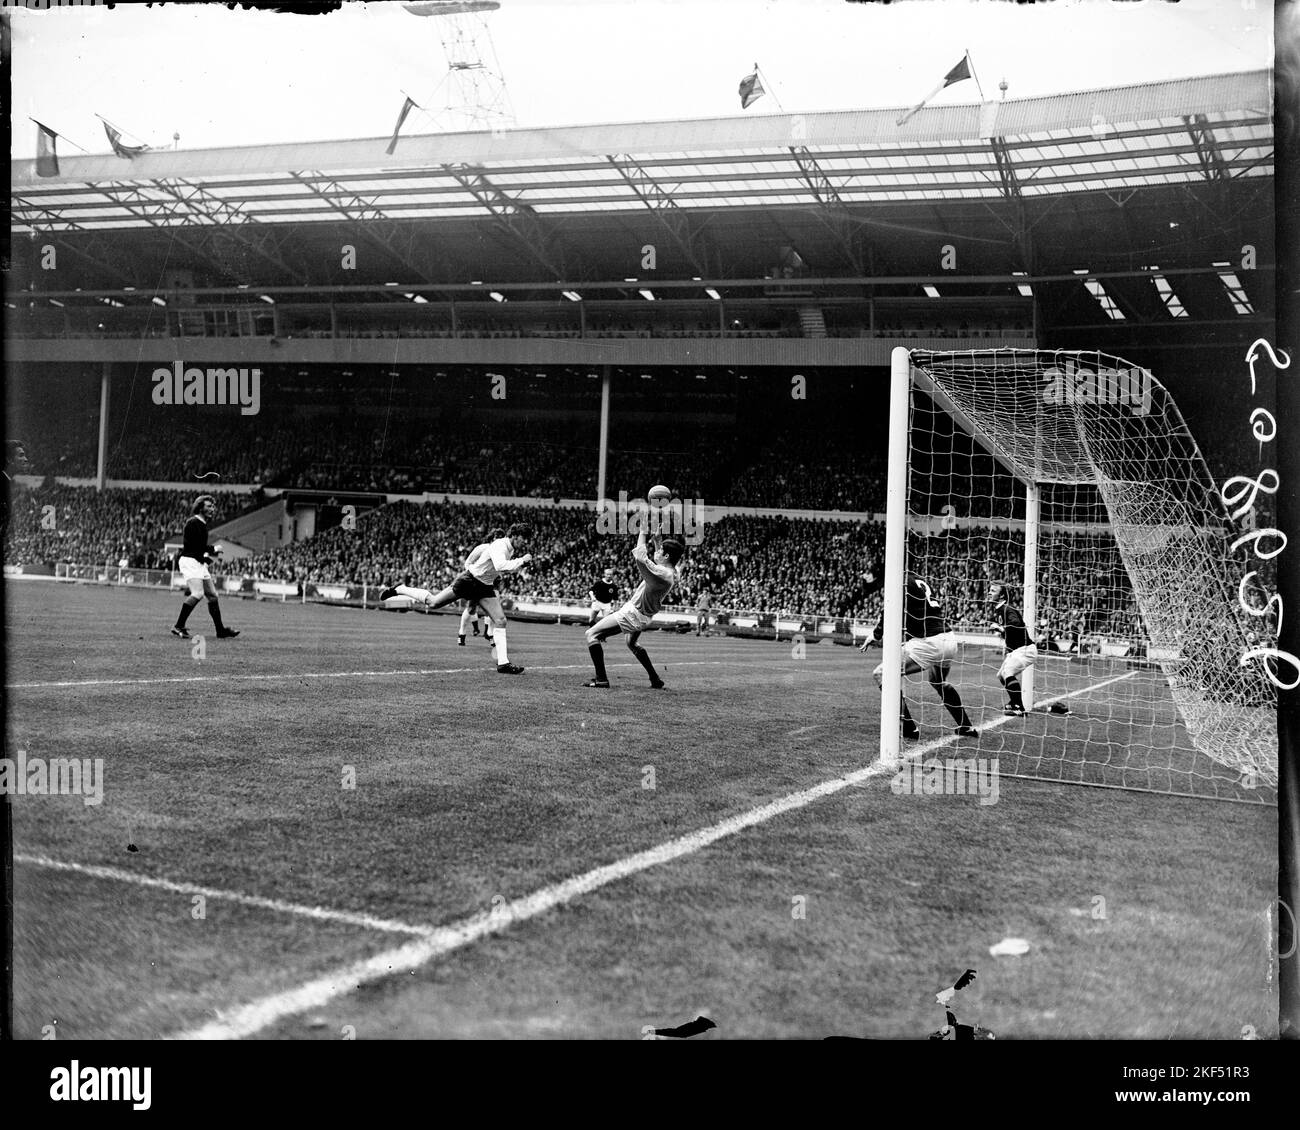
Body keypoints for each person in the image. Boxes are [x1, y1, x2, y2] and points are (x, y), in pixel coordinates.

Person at [381, 523, 531, 675]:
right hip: (470, 580)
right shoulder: (500, 545)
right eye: (524, 538)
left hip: (484, 586)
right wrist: (522, 561)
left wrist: (514, 566)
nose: (525, 542)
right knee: (434, 603)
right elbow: (500, 565)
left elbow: (499, 568)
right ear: (514, 535)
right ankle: (400, 589)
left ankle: (503, 663)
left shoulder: (509, 548)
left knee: (501, 620)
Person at [861, 570, 975, 739]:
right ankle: (966, 726)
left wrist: (875, 635)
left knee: (881, 674)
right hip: (948, 640)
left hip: (929, 643)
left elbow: (890, 611)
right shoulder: (919, 581)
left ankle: (909, 729)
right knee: (938, 682)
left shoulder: (899, 580)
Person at [583, 530, 684, 689]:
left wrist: (642, 531)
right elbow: (661, 561)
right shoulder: (672, 572)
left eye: (660, 551)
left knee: (591, 634)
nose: (656, 553)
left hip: (633, 614)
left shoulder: (663, 573)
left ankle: (601, 679)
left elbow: (640, 557)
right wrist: (659, 542)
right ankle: (655, 679)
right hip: (644, 615)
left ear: (666, 557)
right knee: (632, 643)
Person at [988, 581, 1071, 717]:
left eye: (993, 591)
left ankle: (1018, 707)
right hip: (1016, 650)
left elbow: (1016, 624)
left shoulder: (1008, 609)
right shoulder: (999, 610)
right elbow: (1012, 631)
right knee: (1001, 676)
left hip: (1025, 649)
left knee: (1008, 671)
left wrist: (1000, 628)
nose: (989, 593)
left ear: (1002, 595)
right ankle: (1015, 702)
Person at [171, 495, 240, 640]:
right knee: (197, 593)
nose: (212, 509)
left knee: (213, 596)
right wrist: (213, 549)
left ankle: (220, 631)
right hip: (190, 561)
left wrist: (207, 558)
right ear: (200, 507)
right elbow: (195, 547)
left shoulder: (201, 524)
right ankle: (178, 626)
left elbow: (198, 549)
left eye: (213, 506)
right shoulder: (193, 523)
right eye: (208, 506)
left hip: (197, 561)